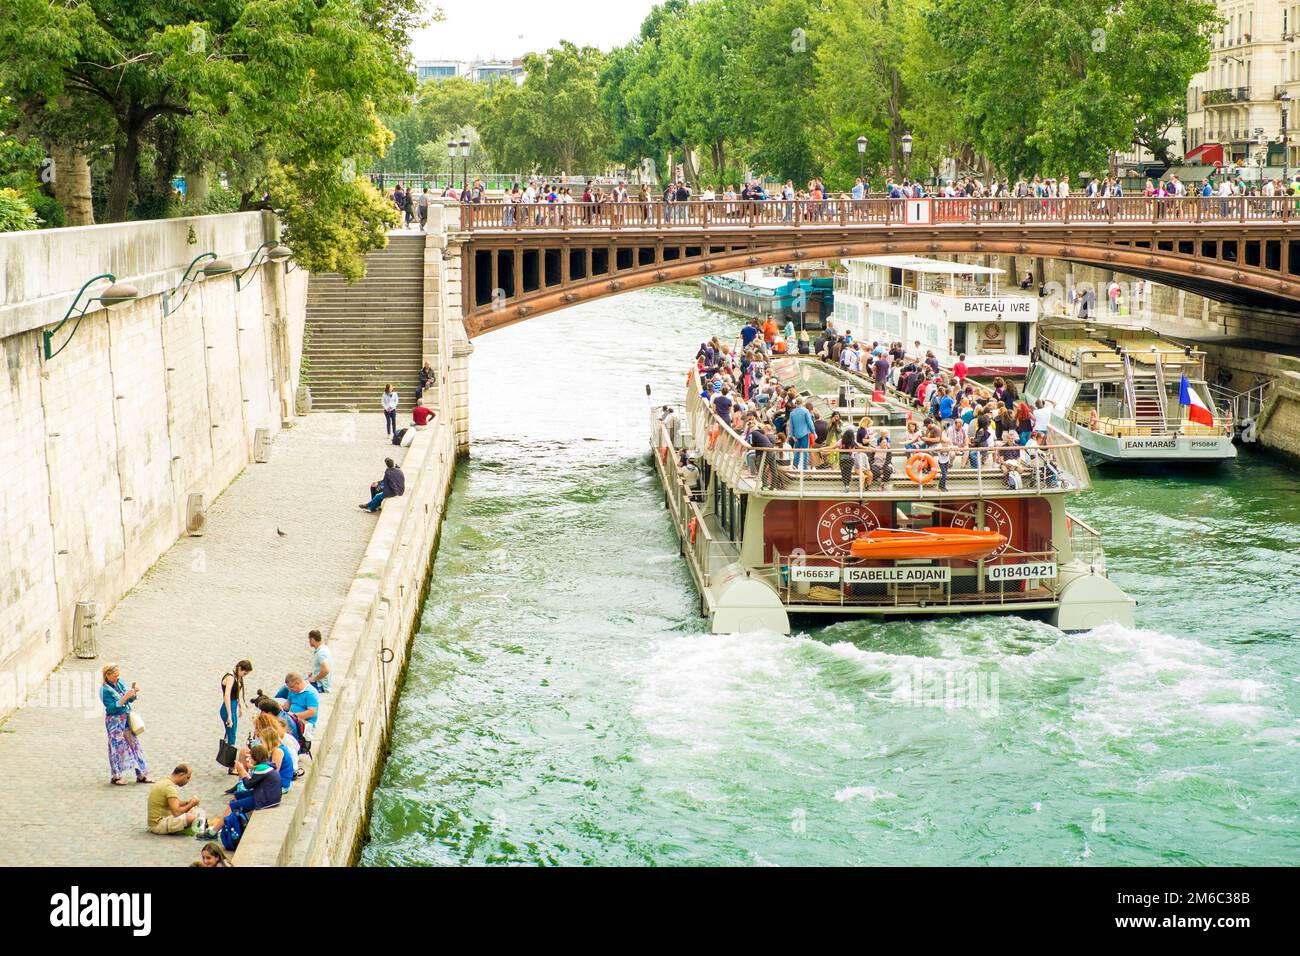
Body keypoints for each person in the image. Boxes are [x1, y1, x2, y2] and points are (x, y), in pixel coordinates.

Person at [101, 663, 150, 786]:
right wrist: (124, 698)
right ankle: (116, 776)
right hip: (114, 721)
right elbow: (111, 708)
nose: (117, 677)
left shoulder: (120, 683)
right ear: (107, 675)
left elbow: (130, 700)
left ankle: (141, 774)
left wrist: (133, 693)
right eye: (115, 675)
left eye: (118, 675)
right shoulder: (104, 690)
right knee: (116, 747)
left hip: (126, 718)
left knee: (133, 744)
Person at [147, 765, 201, 834]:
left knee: (193, 810)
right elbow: (176, 812)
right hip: (158, 825)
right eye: (188, 777)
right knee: (190, 817)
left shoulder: (165, 781)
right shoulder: (169, 787)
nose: (188, 781)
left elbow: (174, 803)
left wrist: (187, 803)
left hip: (154, 822)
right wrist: (191, 804)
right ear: (181, 774)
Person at [219, 660, 253, 763]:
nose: (245, 675)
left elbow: (236, 693)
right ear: (239, 669)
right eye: (245, 673)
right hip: (227, 709)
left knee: (232, 734)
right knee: (232, 736)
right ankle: (230, 764)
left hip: (233, 707)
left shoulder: (238, 677)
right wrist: (229, 715)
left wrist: (239, 706)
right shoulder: (230, 678)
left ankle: (229, 762)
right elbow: (227, 696)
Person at [274, 673, 320, 746]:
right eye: (289, 688)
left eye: (292, 687)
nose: (290, 689)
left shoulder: (311, 693)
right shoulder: (293, 690)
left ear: (298, 683)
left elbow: (311, 712)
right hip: (291, 717)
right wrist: (279, 707)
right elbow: (288, 704)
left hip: (304, 721)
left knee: (277, 725)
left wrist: (294, 716)